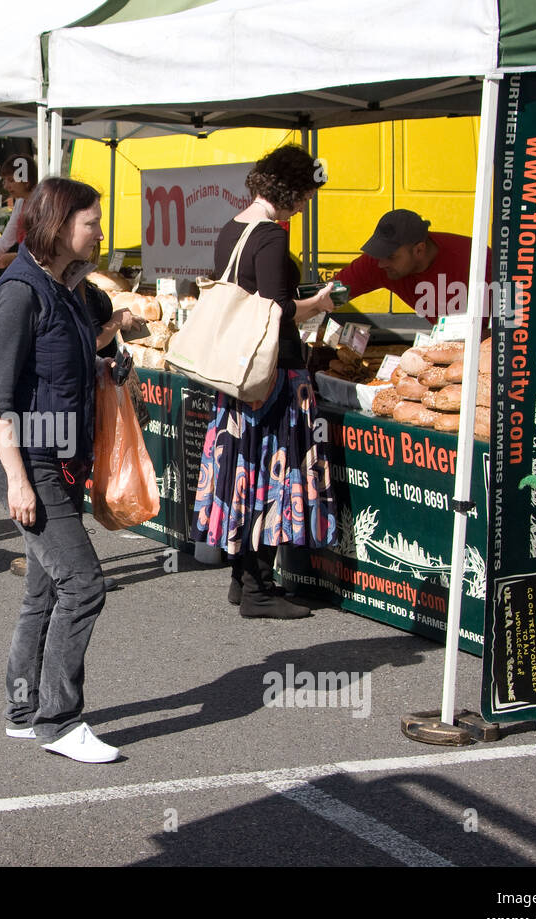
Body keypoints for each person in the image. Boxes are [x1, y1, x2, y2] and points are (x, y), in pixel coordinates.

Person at [0, 176, 136, 763]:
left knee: (44, 589)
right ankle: (60, 722)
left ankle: (24, 712)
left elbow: (62, 365)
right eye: (91, 221)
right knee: (84, 584)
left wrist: (103, 365)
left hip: (60, 456)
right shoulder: (19, 290)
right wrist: (18, 478)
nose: (100, 231)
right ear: (59, 224)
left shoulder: (65, 286)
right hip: (29, 458)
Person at [191, 144, 338, 620]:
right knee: (270, 475)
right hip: (272, 375)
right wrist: (317, 304)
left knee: (245, 474)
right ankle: (257, 588)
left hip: (239, 375)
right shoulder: (271, 236)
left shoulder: (232, 229)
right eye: (309, 193)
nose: (309, 202)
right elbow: (277, 308)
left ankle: (244, 579)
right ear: (292, 189)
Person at [334, 209, 490, 323]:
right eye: (379, 255)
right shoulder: (378, 262)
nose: (381, 264)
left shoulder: (474, 260)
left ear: (419, 250)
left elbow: (504, 324)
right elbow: (328, 294)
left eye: (390, 256)